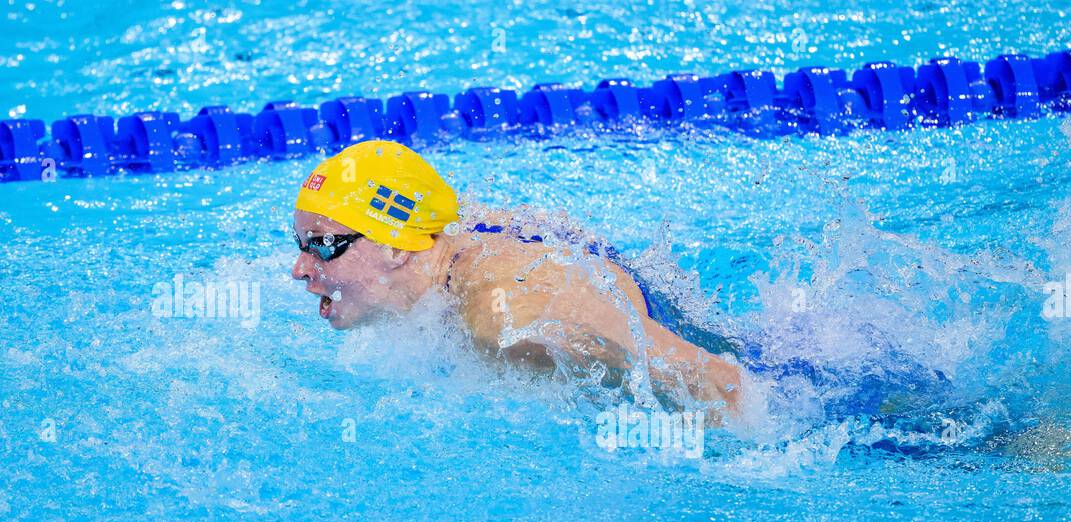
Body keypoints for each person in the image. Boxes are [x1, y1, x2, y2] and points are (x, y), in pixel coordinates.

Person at [290, 139, 745, 414]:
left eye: (322, 246)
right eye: (299, 245)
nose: (299, 269)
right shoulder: (445, 254)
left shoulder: (504, 314)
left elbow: (720, 383)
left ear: (394, 247)